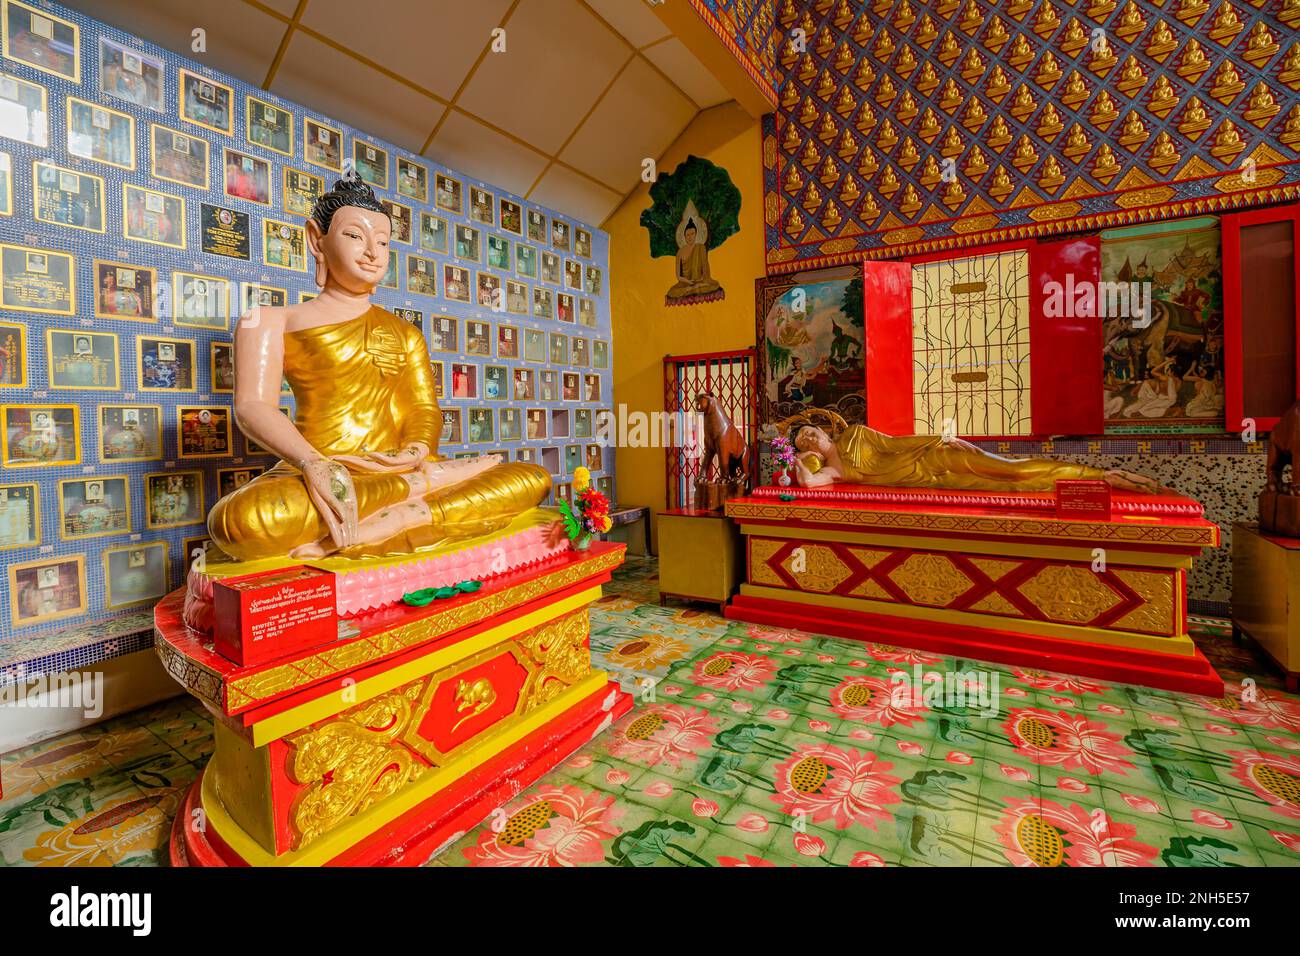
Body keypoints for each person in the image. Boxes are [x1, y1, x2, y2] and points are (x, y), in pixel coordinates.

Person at [208, 176, 549, 561]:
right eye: (355, 236)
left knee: (531, 478)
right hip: (320, 472)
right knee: (246, 520)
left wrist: (417, 449)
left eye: (384, 242)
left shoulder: (404, 332)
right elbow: (254, 406)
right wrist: (314, 463)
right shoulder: (267, 320)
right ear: (316, 239)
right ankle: (414, 491)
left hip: (397, 467)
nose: (373, 252)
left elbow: (422, 409)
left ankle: (403, 512)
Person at [792, 422, 1167, 494]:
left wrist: (944, 438)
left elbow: (897, 443)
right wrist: (795, 459)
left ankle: (1100, 475)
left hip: (936, 459)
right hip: (933, 483)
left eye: (811, 430)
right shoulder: (831, 472)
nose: (810, 436)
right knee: (1016, 490)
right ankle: (1082, 485)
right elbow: (807, 483)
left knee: (1013, 471)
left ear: (825, 430)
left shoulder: (856, 433)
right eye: (803, 440)